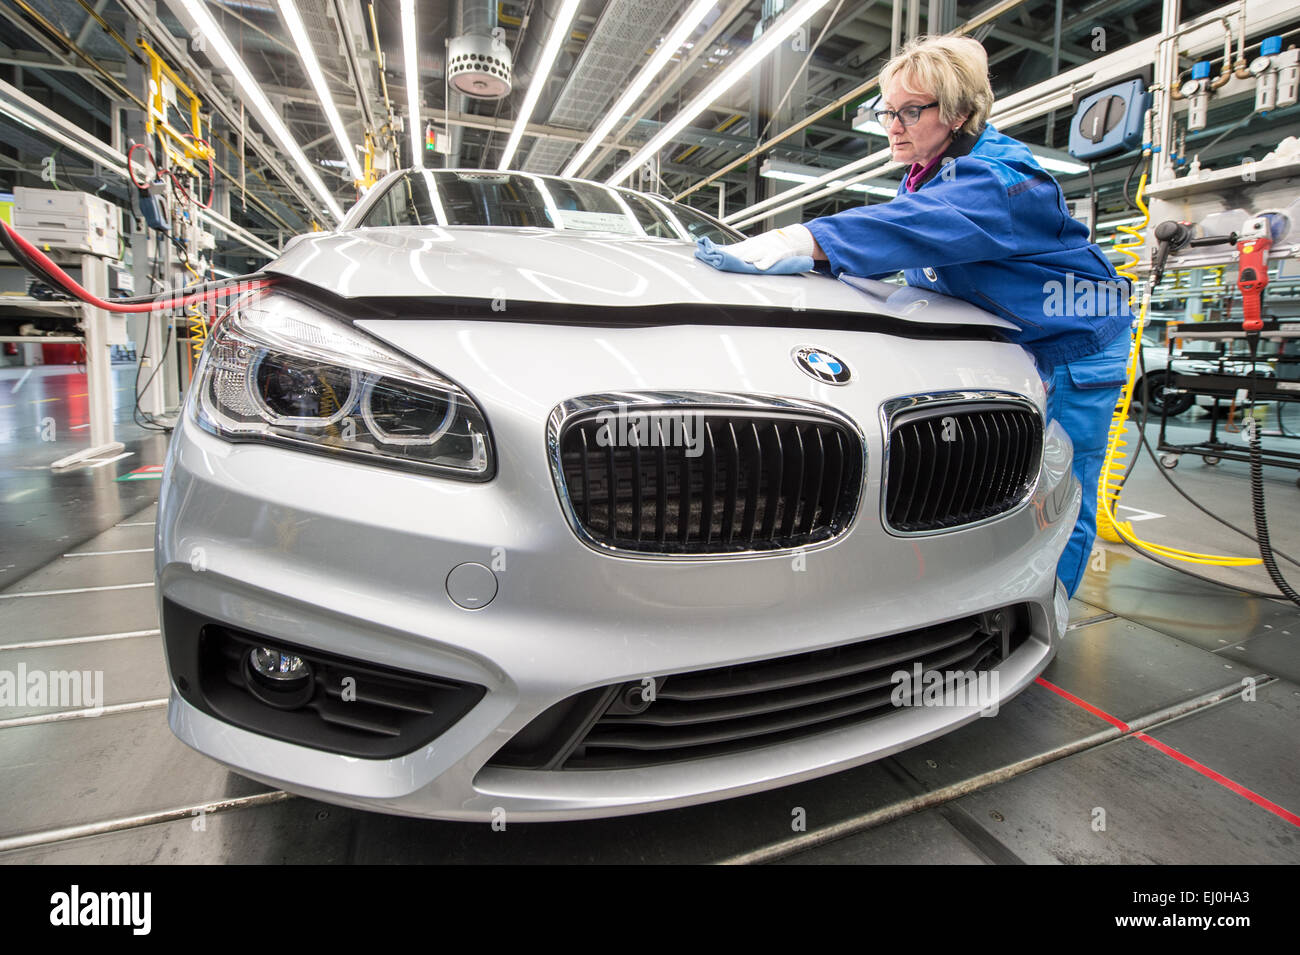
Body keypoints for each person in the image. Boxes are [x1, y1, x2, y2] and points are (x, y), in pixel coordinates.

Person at [716, 35, 1131, 598]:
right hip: (1013, 346)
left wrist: (809, 235)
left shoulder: (1002, 178)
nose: (894, 124)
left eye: (911, 111)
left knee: (1060, 492)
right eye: (888, 110)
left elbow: (913, 227)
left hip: (1073, 346)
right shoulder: (931, 174)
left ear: (959, 114)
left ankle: (1050, 611)